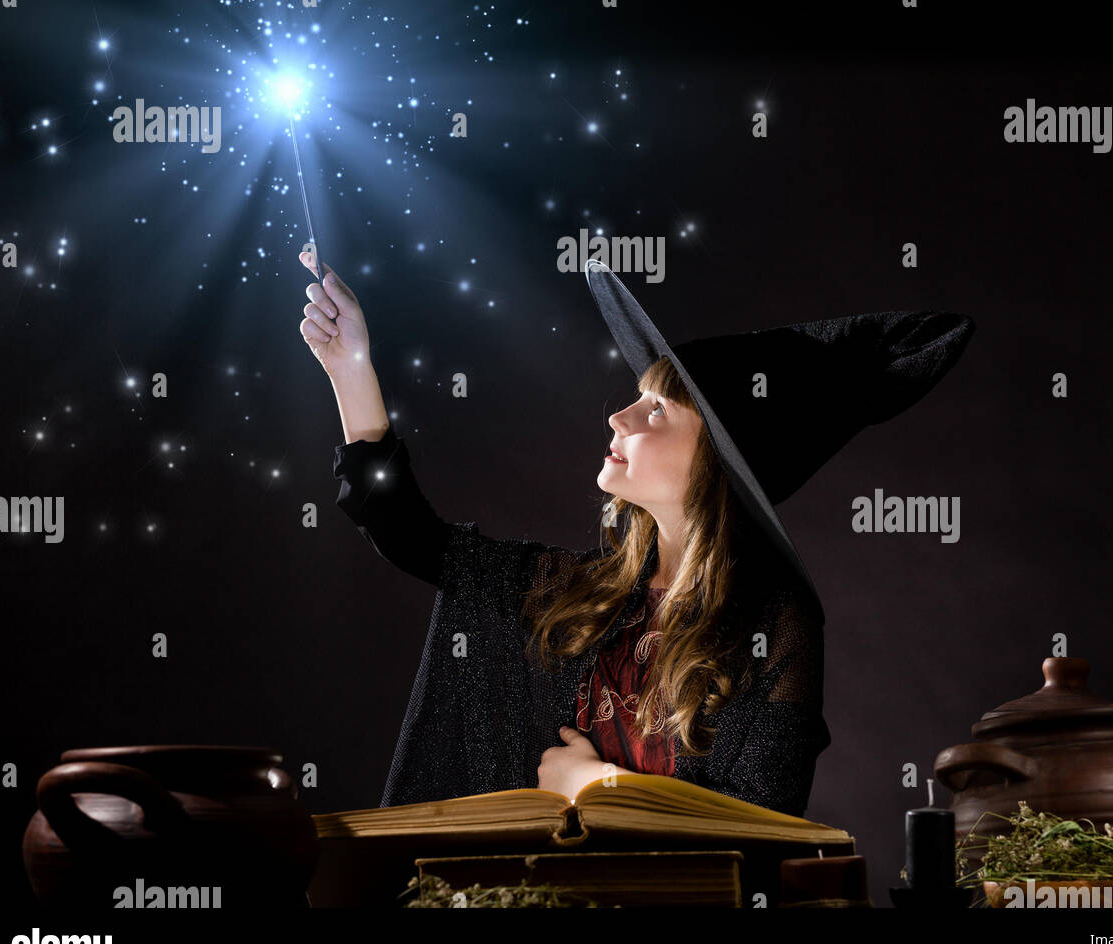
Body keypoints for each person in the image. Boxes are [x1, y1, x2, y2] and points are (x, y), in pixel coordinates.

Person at [297, 253, 835, 818]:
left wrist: (595, 785)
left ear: (718, 463)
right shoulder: (578, 596)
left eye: (657, 411)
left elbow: (762, 826)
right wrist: (351, 368)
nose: (619, 418)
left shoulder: (776, 625)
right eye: (636, 398)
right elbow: (409, 534)